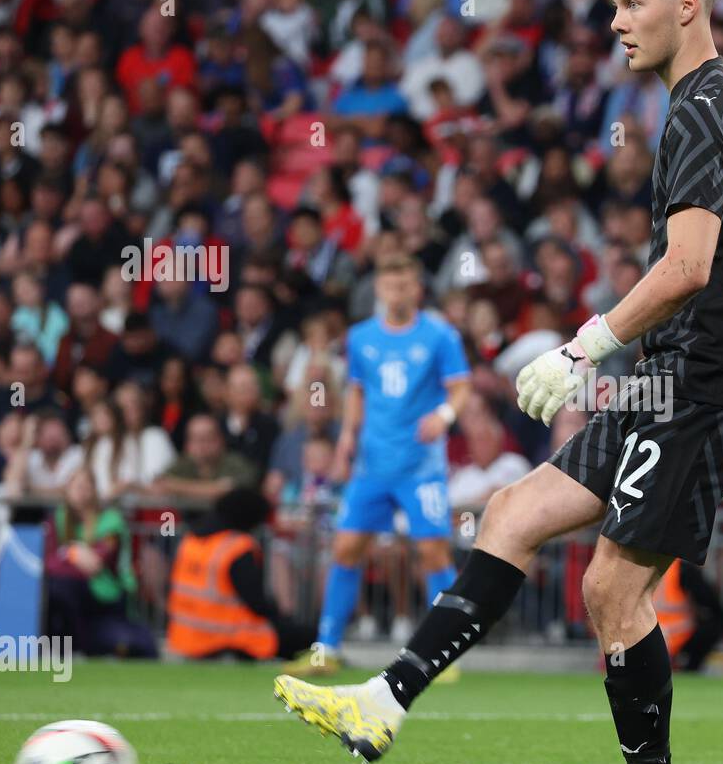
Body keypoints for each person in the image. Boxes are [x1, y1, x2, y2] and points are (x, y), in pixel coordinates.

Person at [275, 0, 723, 764]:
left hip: (705, 383)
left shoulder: (700, 110)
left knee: (613, 590)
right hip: (675, 377)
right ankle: (386, 699)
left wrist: (581, 348)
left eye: (632, 4)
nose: (616, 21)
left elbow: (689, 266)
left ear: (687, 4)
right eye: (616, 4)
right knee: (511, 510)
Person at [282, 254, 471, 676]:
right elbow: (357, 391)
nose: (396, 293)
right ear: (379, 290)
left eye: (403, 285)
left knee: (433, 553)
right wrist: (347, 437)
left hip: (421, 465)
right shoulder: (361, 337)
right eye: (388, 285)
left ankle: (444, 653)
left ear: (417, 289)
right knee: (346, 548)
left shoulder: (441, 335)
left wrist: (443, 417)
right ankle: (325, 651)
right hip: (372, 463)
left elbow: (460, 388)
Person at [166, 487, 313, 661]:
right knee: (307, 636)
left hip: (183, 638)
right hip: (228, 638)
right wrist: (281, 618)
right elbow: (256, 602)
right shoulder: (237, 547)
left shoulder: (189, 541)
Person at [43, 466, 156, 658]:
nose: (82, 493)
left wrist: (68, 554)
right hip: (74, 590)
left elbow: (97, 562)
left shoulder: (111, 520)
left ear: (95, 491)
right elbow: (49, 562)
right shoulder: (58, 519)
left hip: (107, 594)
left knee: (126, 641)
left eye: (87, 487)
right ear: (67, 491)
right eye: (77, 487)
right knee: (55, 588)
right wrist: (73, 553)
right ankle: (61, 647)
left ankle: (79, 647)